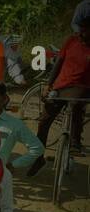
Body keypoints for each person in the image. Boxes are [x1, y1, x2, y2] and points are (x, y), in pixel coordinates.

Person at [30, 20, 90, 172]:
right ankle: (38, 157)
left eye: (85, 30)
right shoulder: (71, 41)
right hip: (60, 85)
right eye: (80, 30)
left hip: (82, 87)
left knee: (76, 104)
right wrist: (49, 85)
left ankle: (75, 142)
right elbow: (59, 63)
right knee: (44, 120)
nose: (81, 34)